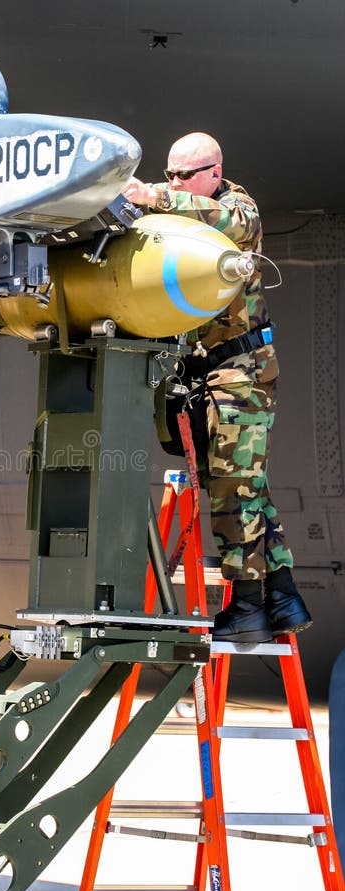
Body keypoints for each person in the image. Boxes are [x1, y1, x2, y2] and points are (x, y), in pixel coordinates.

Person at [123, 132, 312, 643]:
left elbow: (234, 224)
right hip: (217, 375)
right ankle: (283, 595)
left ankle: (247, 606)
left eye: (184, 176)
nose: (175, 183)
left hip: (242, 375)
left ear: (213, 171)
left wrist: (155, 197)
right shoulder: (187, 216)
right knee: (247, 489)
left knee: (232, 493)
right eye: (169, 176)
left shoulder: (236, 208)